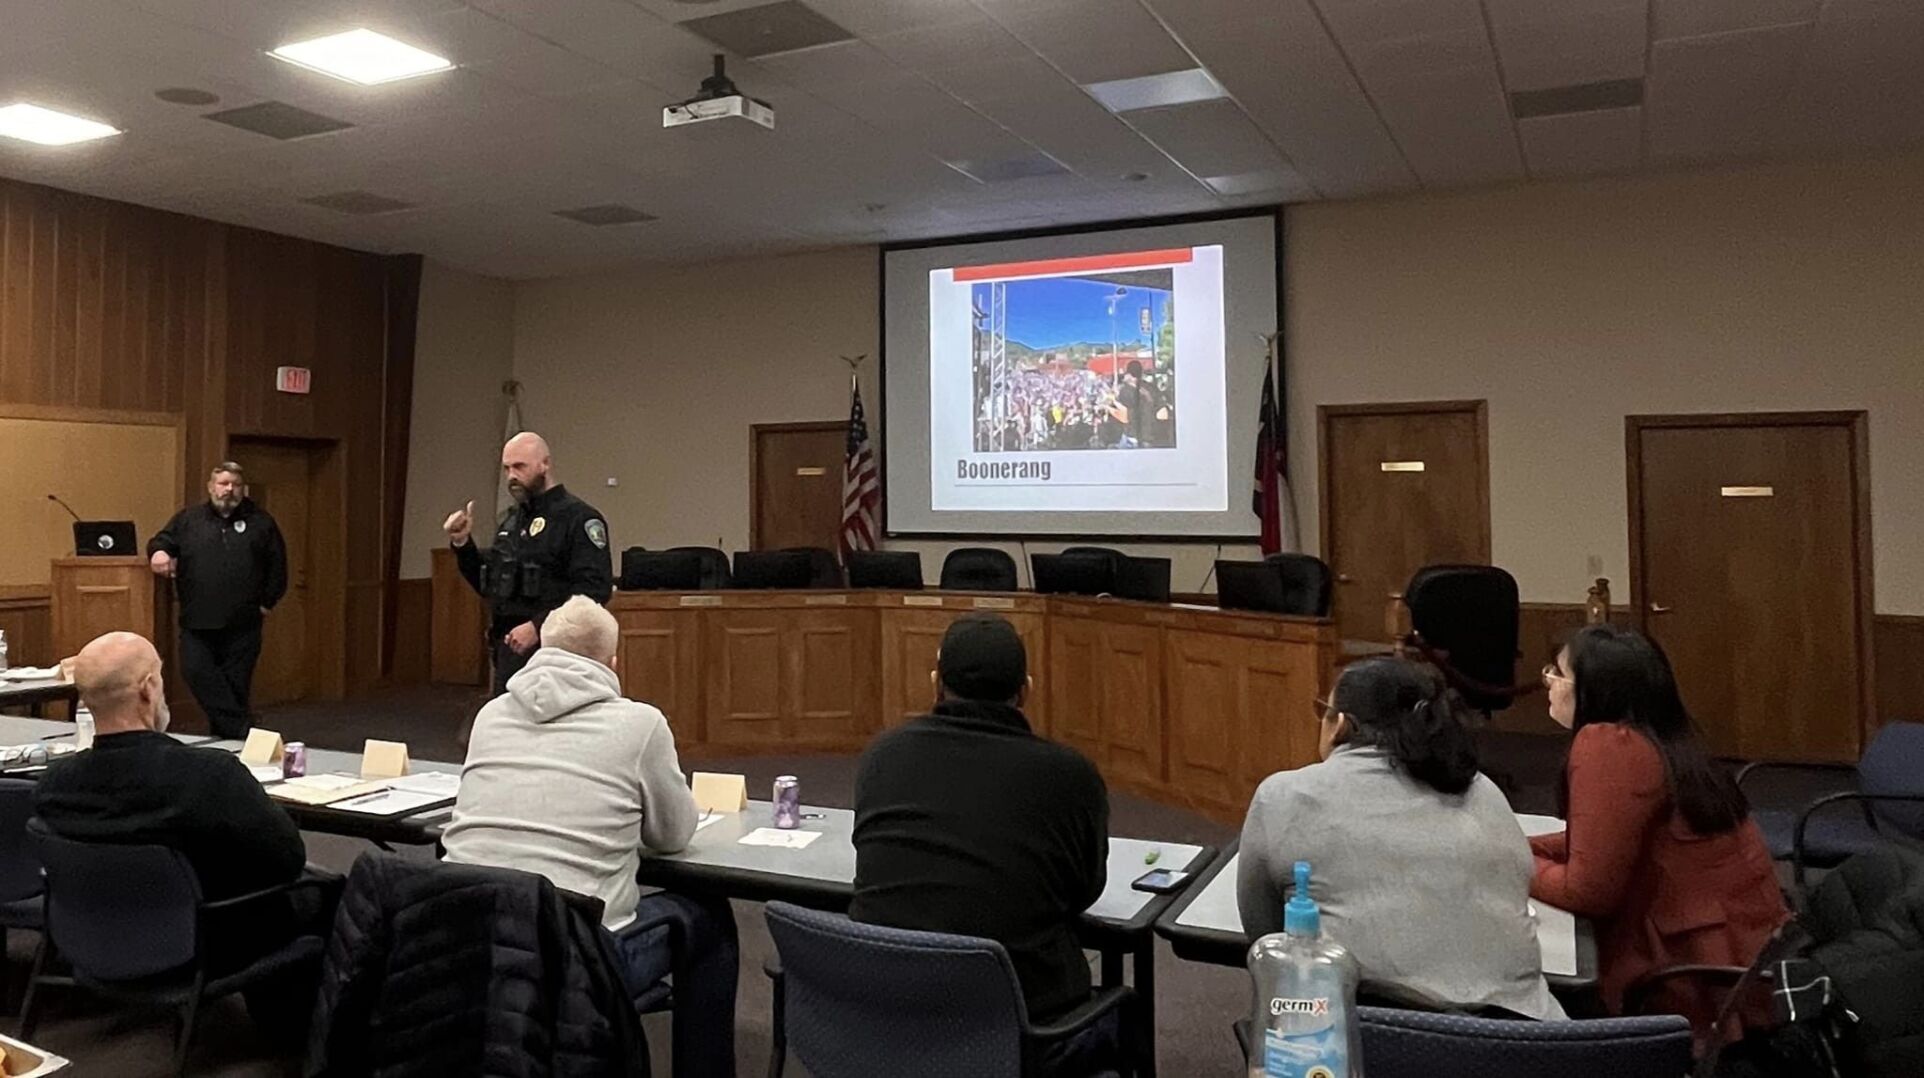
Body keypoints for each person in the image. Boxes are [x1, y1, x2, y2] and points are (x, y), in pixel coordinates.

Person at [441, 596, 737, 1077]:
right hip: (578, 959)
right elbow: (673, 835)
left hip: (469, 942)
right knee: (709, 918)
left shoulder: (490, 716)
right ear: (613, 663)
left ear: (543, 650)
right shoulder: (640, 724)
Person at [33, 631, 333, 1029]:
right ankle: (302, 1034)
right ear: (149, 688)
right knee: (327, 889)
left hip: (95, 940)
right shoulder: (209, 776)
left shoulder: (54, 786)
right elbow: (287, 859)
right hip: (202, 943)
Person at [1237, 657, 1565, 1020]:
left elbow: (1266, 938)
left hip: (1363, 1036)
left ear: (1340, 724)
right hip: (1526, 1037)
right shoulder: (1485, 792)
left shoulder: (1283, 795)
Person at [851, 615, 1111, 1065]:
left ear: (936, 683)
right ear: (1025, 692)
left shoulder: (883, 755)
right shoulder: (1070, 775)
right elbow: (1084, 890)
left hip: (885, 1012)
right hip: (1024, 1027)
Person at [1532, 624, 1789, 1036]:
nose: (1547, 681)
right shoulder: (1661, 736)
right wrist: (1522, 845)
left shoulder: (1610, 746)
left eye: (1558, 673)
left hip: (1691, 979)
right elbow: (1611, 839)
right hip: (1747, 957)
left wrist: (1506, 861)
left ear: (1598, 690)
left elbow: (1587, 891)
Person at [443, 432, 613, 697]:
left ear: (545, 464)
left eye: (519, 466)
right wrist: (463, 543)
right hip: (508, 651)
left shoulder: (578, 518)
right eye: (507, 468)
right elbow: (490, 584)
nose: (511, 476)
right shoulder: (512, 521)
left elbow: (594, 590)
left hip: (556, 655)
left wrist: (537, 626)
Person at [147, 461, 287, 738]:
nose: (229, 490)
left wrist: (266, 603)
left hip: (243, 623)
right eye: (223, 483)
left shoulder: (261, 522)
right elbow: (161, 540)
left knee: (235, 685)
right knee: (195, 672)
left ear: (243, 489)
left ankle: (230, 744)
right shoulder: (189, 520)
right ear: (211, 487)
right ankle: (243, 729)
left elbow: (278, 566)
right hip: (197, 621)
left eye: (235, 485)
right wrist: (159, 552)